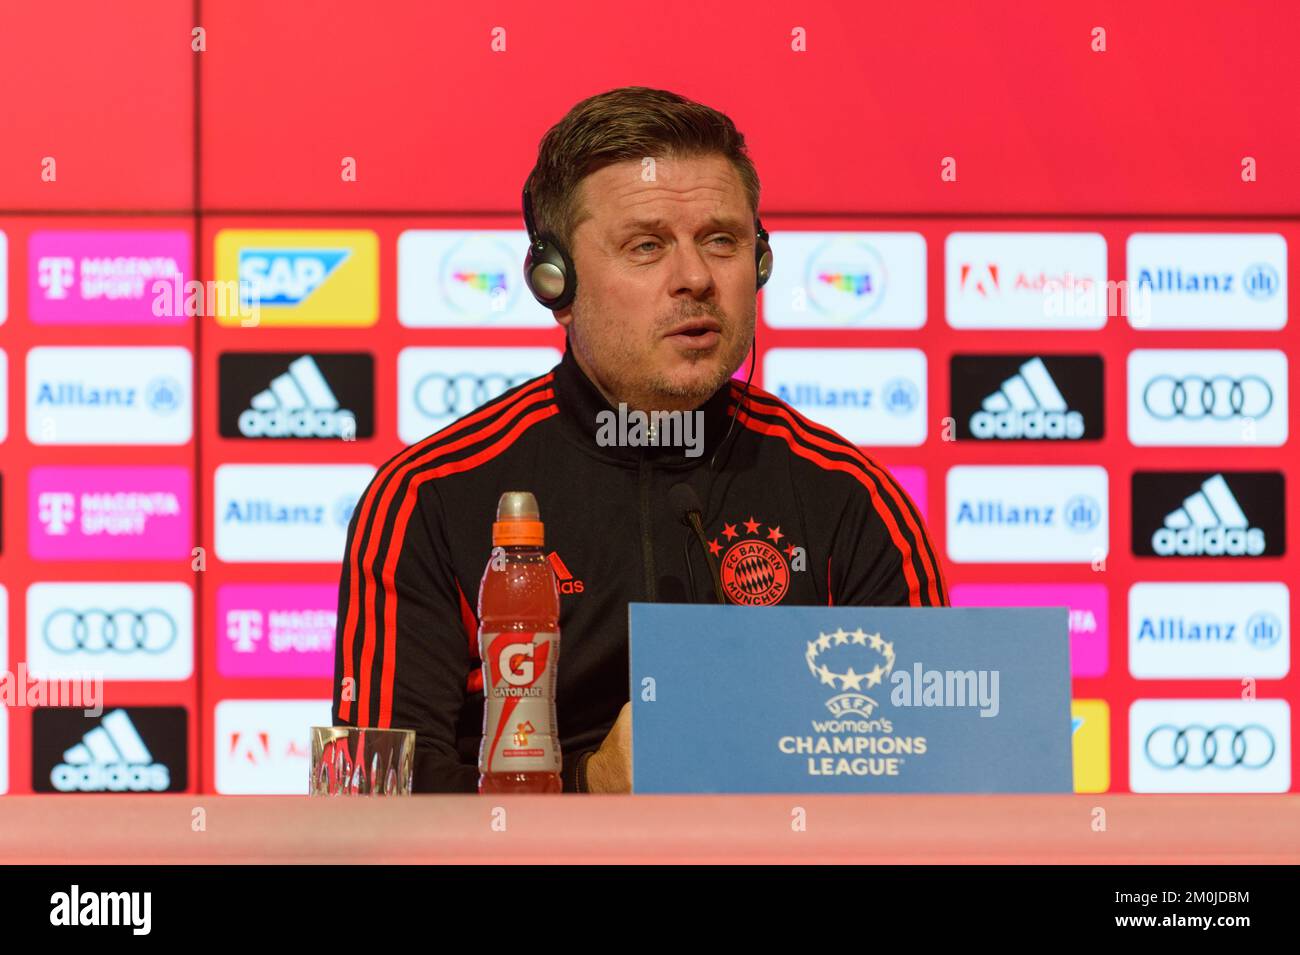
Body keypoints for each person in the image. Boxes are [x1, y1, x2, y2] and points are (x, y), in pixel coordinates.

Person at [332, 86, 947, 793]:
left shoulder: (850, 497)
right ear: (553, 282)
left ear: (762, 262)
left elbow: (930, 779)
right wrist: (587, 789)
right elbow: (370, 797)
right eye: (646, 246)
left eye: (722, 240)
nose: (695, 278)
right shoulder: (432, 497)